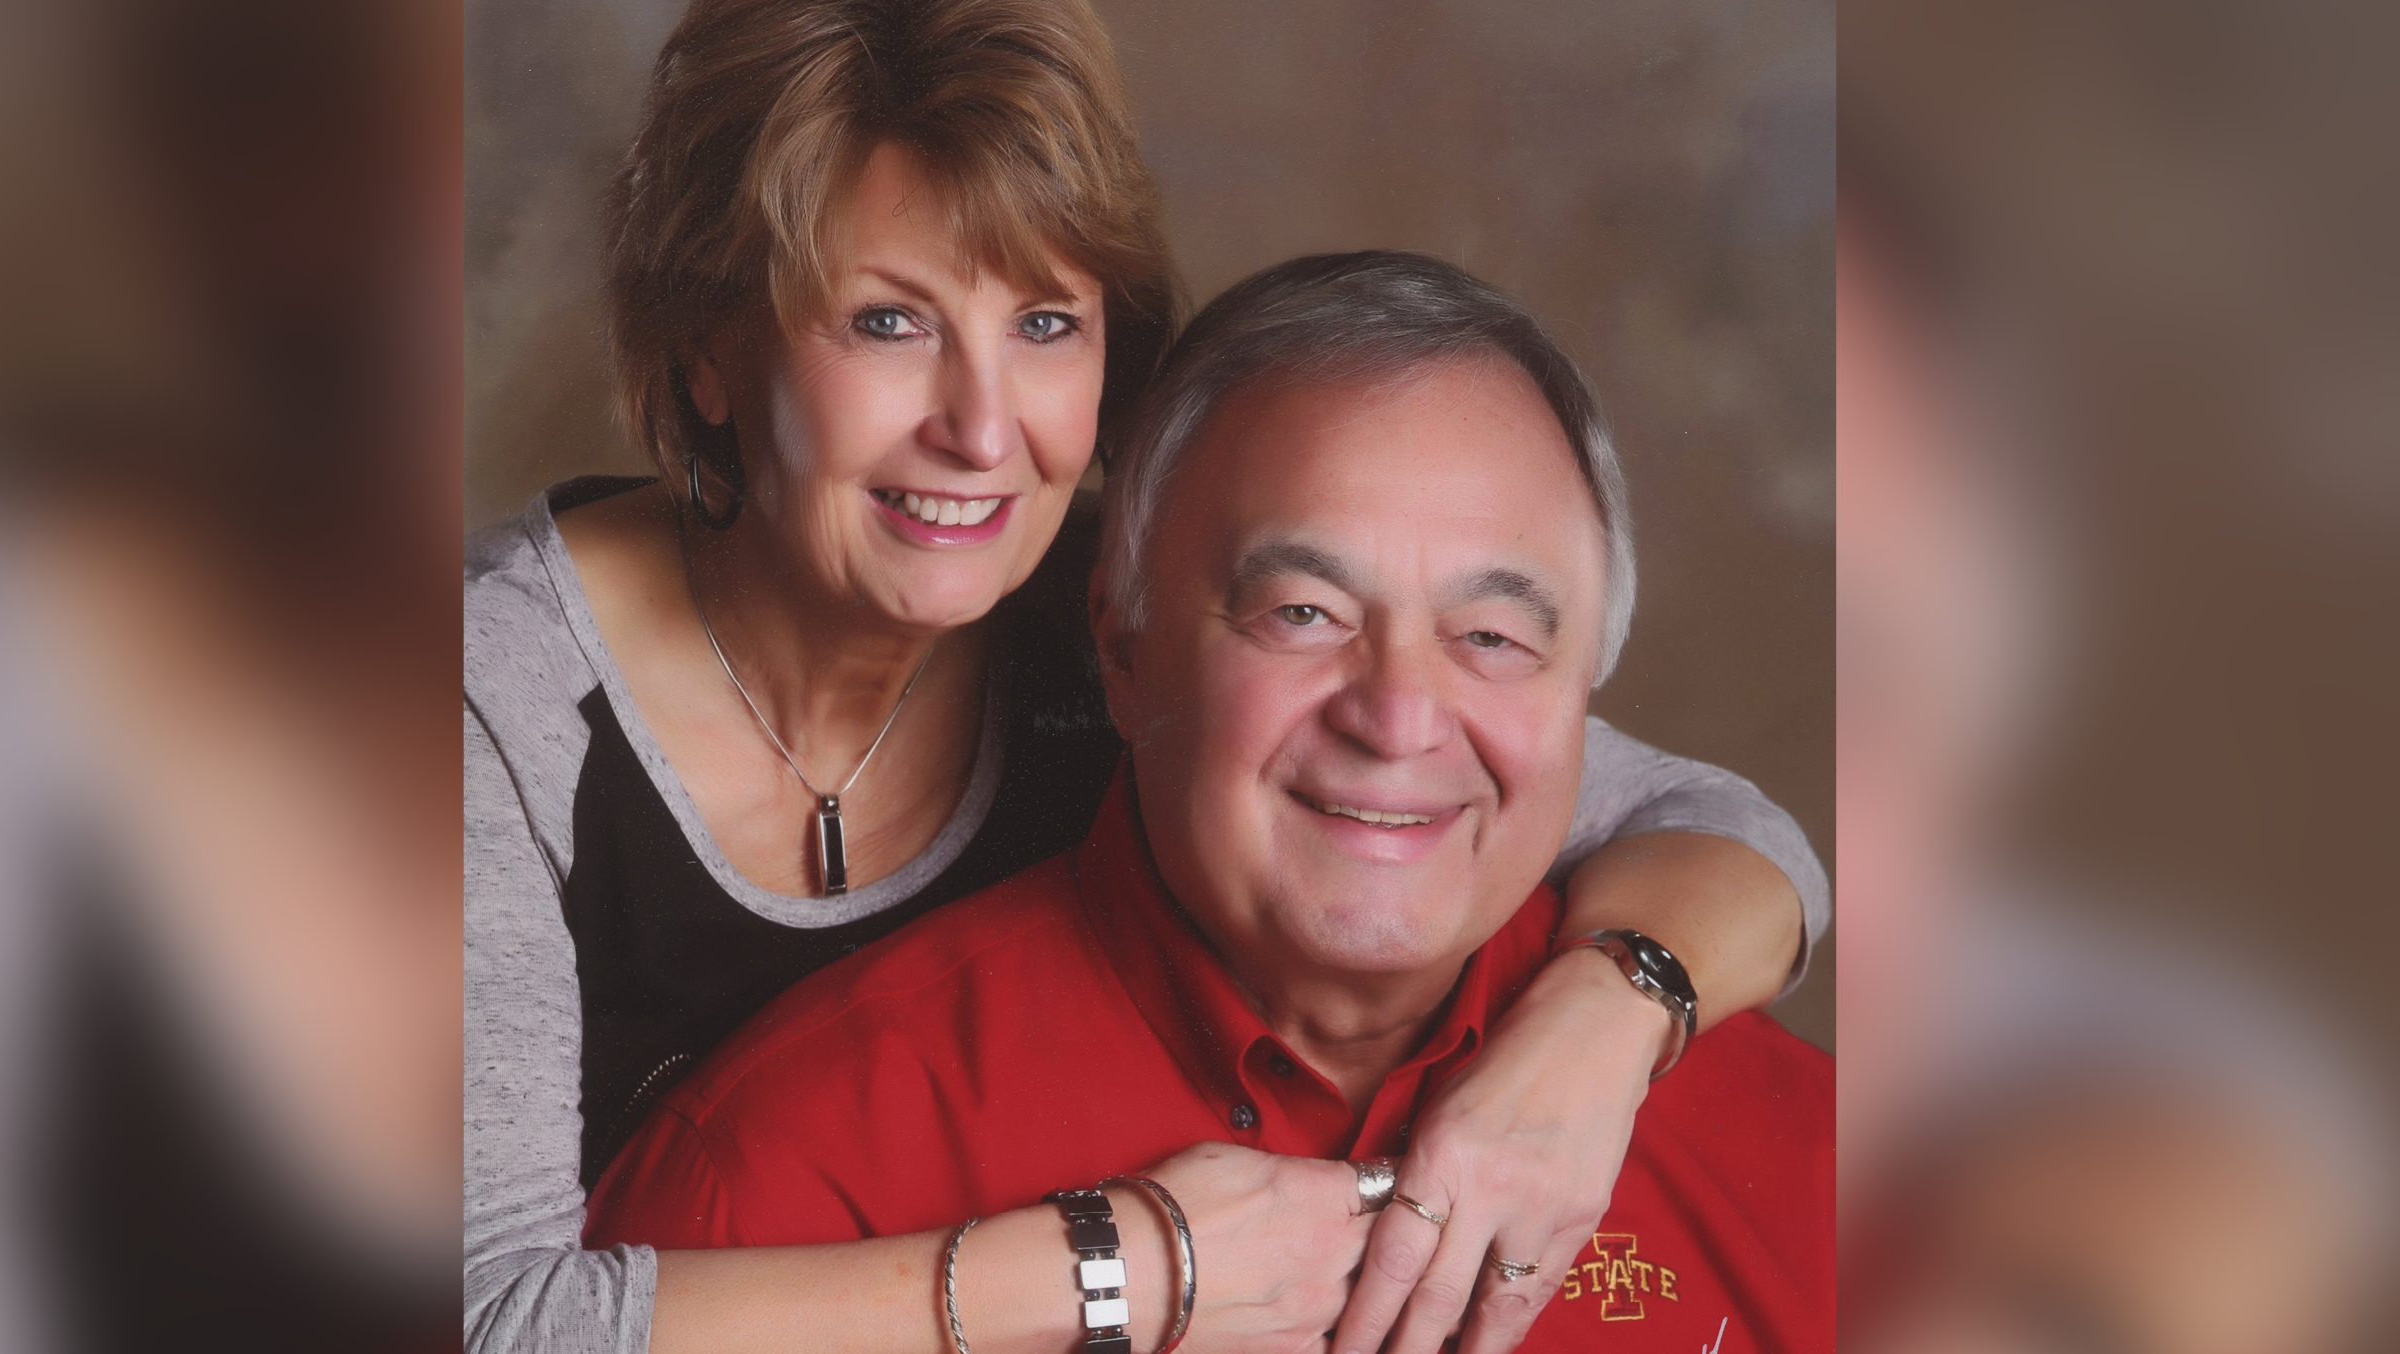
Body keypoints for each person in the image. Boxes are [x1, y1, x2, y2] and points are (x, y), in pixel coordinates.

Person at [464, 4, 1830, 1352]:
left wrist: (1606, 1021)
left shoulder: (1106, 611)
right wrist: (1132, 1262)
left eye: (1047, 324)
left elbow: (1703, 823)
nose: (983, 426)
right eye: (888, 322)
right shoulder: (482, 707)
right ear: (710, 344)